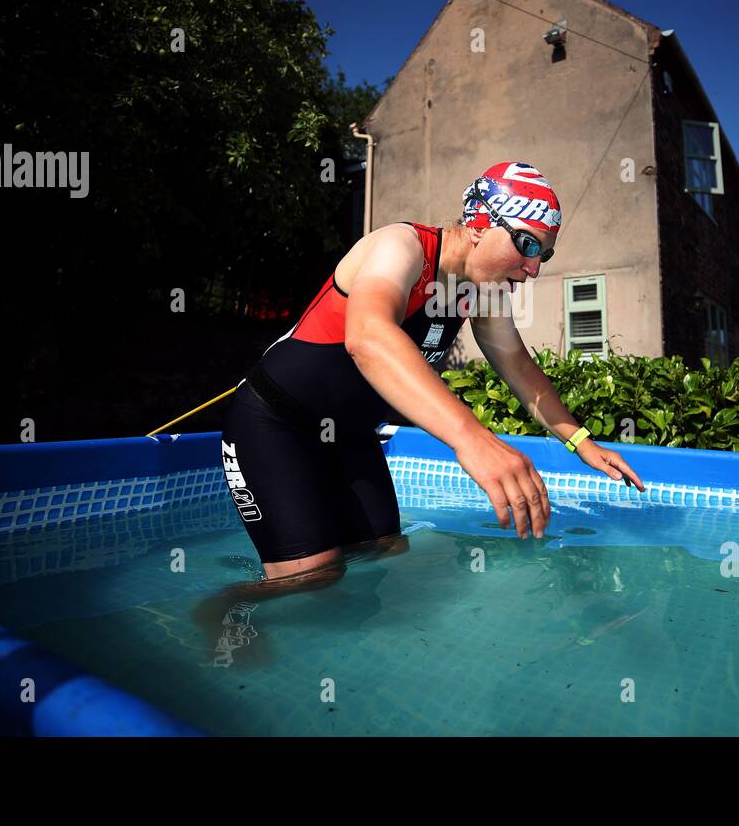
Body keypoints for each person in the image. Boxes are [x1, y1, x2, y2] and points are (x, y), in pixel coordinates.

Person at [219, 161, 644, 590]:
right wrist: (472, 439)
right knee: (308, 582)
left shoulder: (483, 289)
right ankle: (227, 623)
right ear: (480, 223)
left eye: (544, 254)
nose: (534, 268)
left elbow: (517, 365)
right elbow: (367, 337)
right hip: (275, 424)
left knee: (382, 559)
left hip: (349, 436)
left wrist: (580, 440)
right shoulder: (401, 247)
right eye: (528, 245)